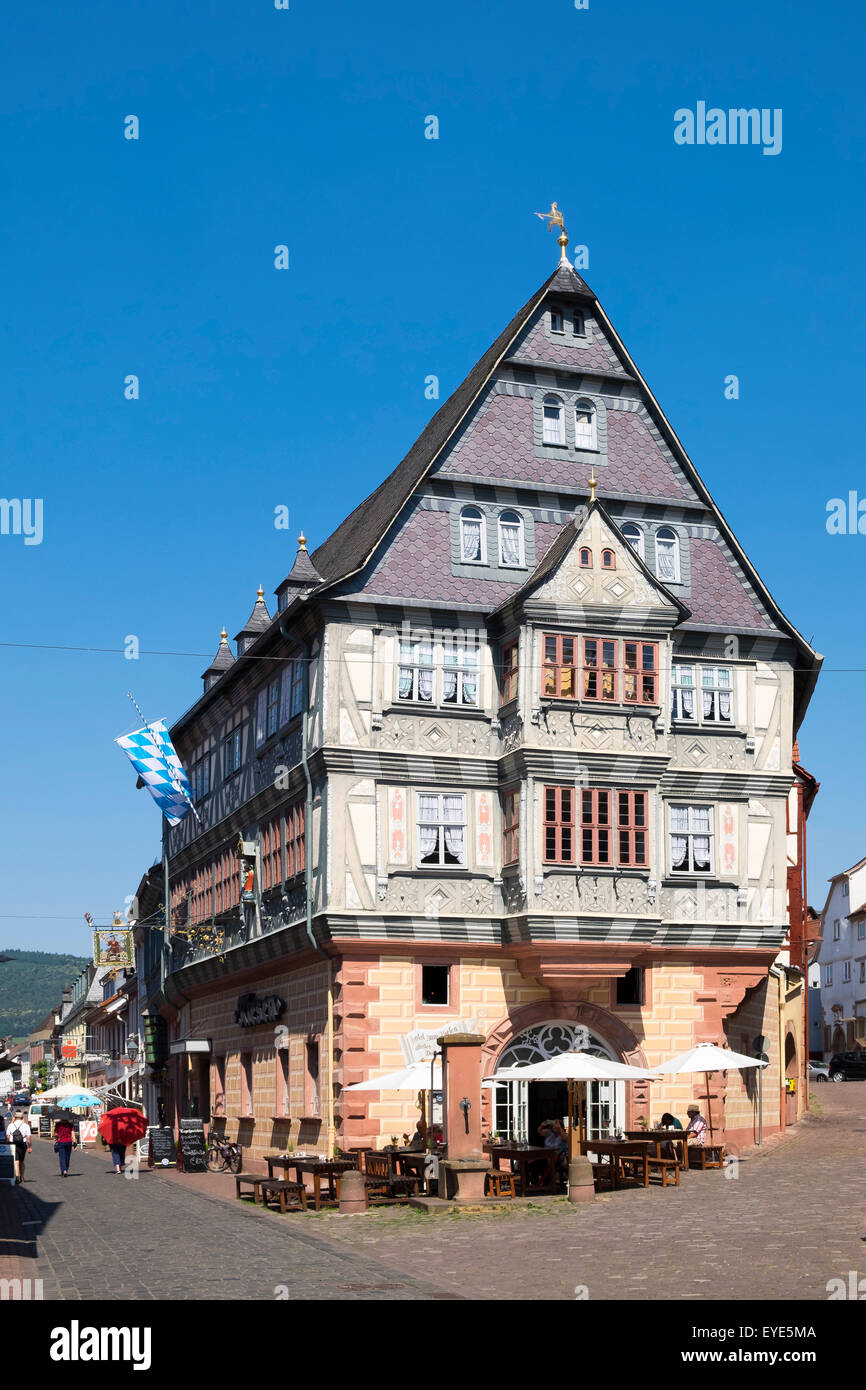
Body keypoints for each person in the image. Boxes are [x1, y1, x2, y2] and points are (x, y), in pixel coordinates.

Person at [538, 1118, 568, 1187]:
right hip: (546, 1156)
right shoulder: (549, 1133)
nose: (554, 1127)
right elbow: (539, 1131)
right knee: (536, 1163)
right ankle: (537, 1183)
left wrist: (560, 1128)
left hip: (559, 1158)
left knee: (546, 1163)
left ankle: (545, 1183)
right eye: (553, 1125)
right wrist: (541, 1125)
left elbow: (565, 1139)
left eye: (556, 1125)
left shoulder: (563, 1135)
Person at [7, 1111, 32, 1184]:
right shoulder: (26, 1125)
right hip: (22, 1145)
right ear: (22, 1118)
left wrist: (7, 1144)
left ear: (14, 1117)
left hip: (13, 1144)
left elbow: (7, 1137)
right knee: (22, 1161)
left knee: (16, 1161)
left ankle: (17, 1177)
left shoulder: (10, 1125)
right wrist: (29, 1147)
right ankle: (22, 1176)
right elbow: (28, 1138)